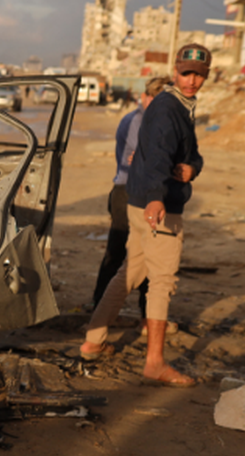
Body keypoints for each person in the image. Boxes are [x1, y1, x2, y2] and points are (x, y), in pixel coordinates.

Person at [80, 44, 210, 387]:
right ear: (176, 71)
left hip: (139, 203)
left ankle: (93, 341)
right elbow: (155, 157)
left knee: (130, 271)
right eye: (186, 73)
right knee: (161, 282)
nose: (192, 80)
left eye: (198, 74)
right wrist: (157, 198)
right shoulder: (169, 109)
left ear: (206, 75)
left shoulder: (179, 105)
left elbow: (191, 153)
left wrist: (193, 168)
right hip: (157, 205)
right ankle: (154, 363)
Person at [89, 77, 171, 315]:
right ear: (146, 97)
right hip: (128, 192)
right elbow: (145, 159)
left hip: (143, 192)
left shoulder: (153, 121)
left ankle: (146, 311)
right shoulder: (137, 121)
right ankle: (99, 306)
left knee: (147, 253)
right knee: (118, 252)